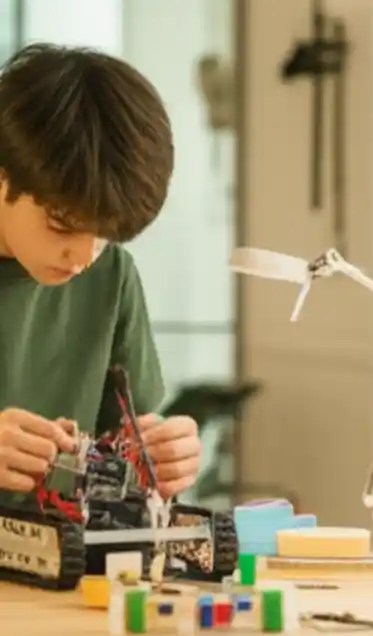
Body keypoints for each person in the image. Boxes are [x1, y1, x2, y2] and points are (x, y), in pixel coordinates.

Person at [0, 44, 200, 509]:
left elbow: (127, 448)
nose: (83, 257)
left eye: (106, 236)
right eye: (62, 226)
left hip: (58, 548)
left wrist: (162, 459)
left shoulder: (111, 275)